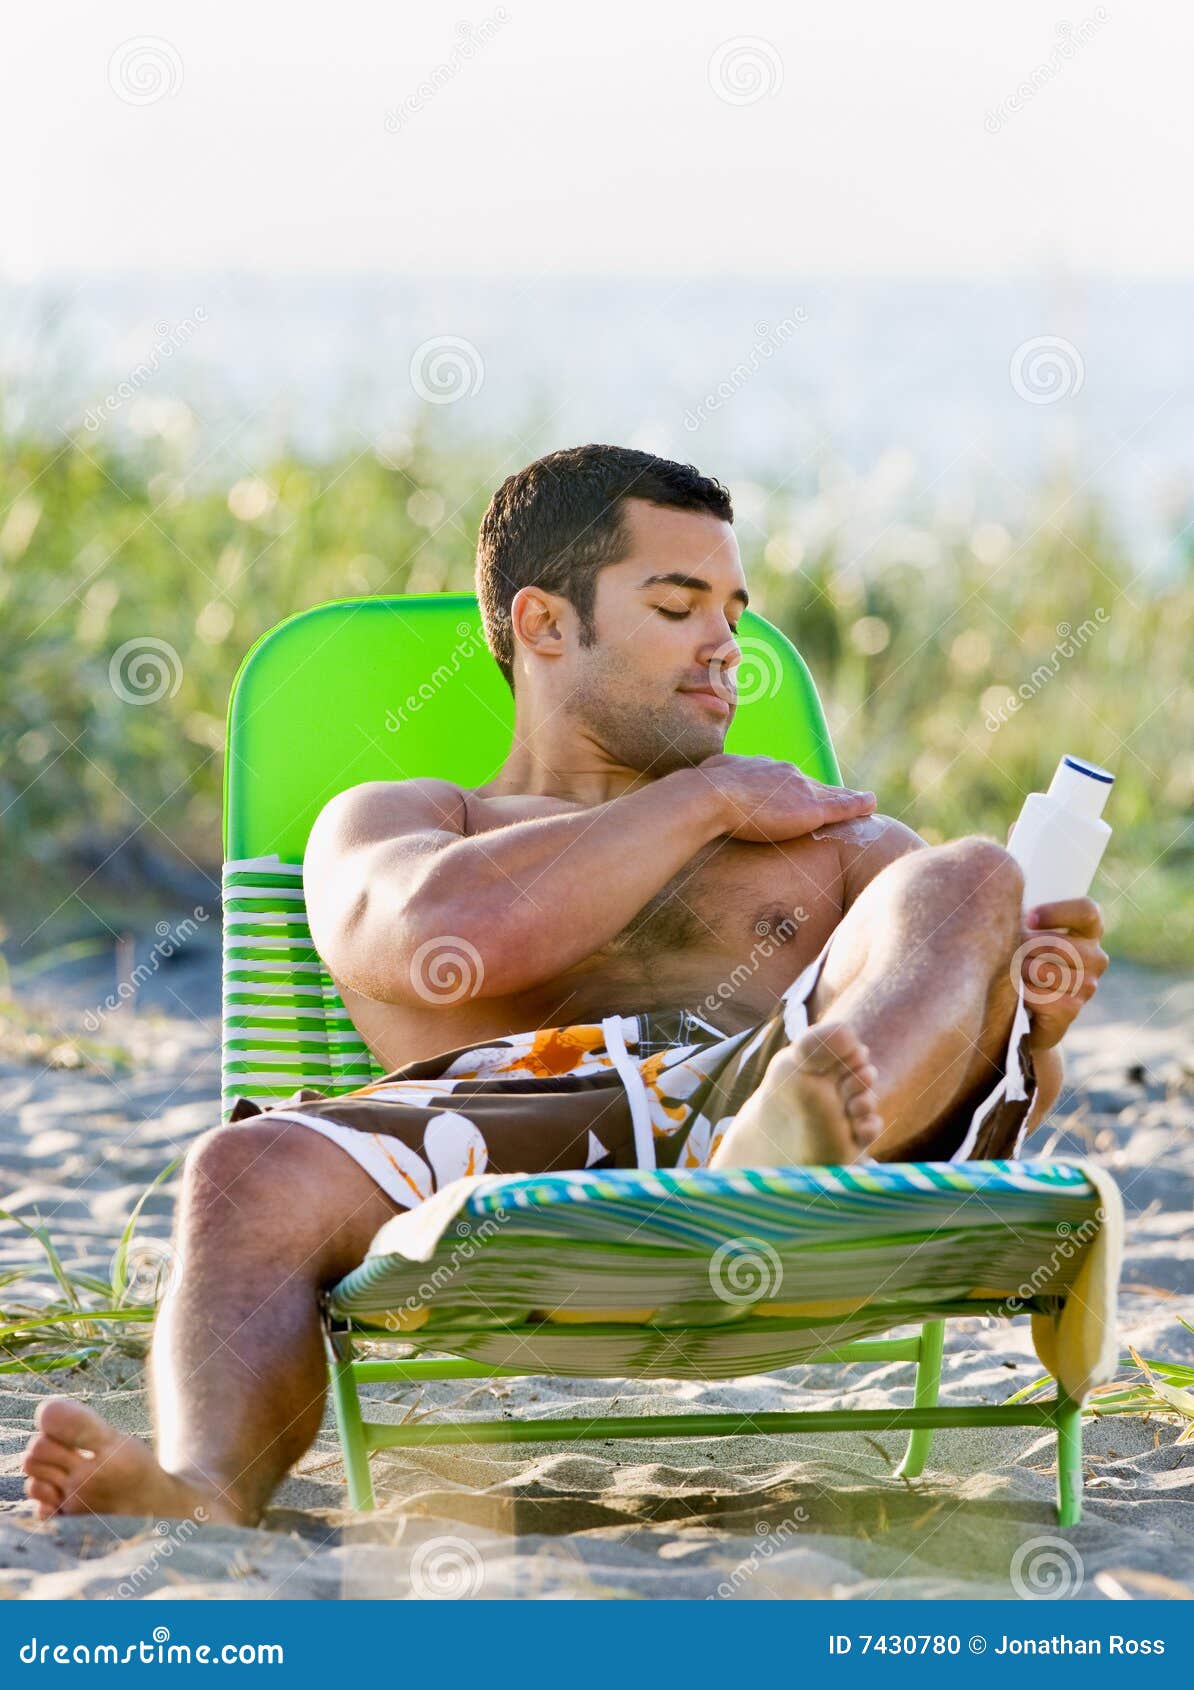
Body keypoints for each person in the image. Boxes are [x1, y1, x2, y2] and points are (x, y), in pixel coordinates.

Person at [22, 444, 1106, 1525]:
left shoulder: (830, 844)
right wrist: (706, 802)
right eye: (679, 606)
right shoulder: (413, 819)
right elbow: (453, 937)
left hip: (786, 1104)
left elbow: (982, 1091)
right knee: (240, 1167)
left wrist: (1030, 1019)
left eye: (733, 611)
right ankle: (202, 1489)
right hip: (487, 1134)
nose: (726, 646)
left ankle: (773, 1156)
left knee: (970, 876)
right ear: (544, 624)